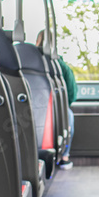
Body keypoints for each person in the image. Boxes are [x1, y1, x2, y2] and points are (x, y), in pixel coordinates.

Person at [35, 30, 76, 168]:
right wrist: (63, 105)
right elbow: (71, 92)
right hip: (55, 109)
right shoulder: (61, 66)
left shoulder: (23, 62)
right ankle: (64, 156)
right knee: (68, 116)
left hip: (30, 107)